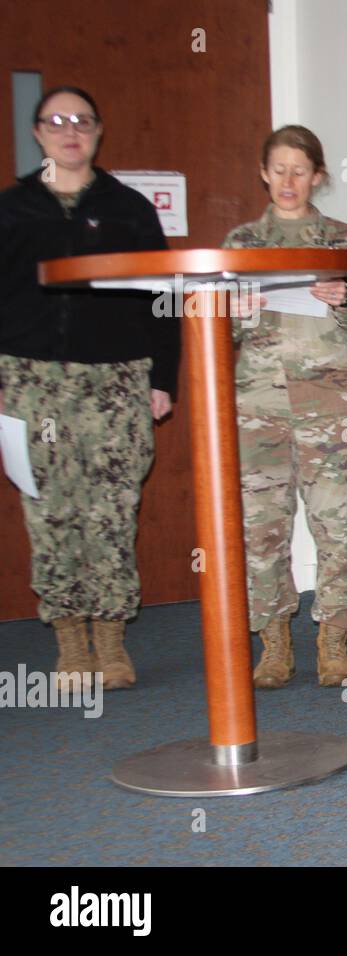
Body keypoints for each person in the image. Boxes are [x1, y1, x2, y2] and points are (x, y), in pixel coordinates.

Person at [0, 87, 177, 691]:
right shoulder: (13, 208)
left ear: (99, 132)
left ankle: (110, 640)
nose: (69, 130)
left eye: (82, 121)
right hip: (31, 381)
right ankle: (70, 644)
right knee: (48, 508)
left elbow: (163, 297)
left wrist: (162, 378)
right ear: (37, 132)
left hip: (116, 380)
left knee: (110, 510)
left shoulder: (127, 209)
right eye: (57, 121)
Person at [223, 125, 347, 688]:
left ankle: (333, 639)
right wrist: (235, 309)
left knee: (341, 524)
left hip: (328, 403)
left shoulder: (341, 240)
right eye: (278, 169)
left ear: (317, 175)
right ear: (264, 173)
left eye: (300, 170)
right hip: (256, 408)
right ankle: (273, 640)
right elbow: (217, 329)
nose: (289, 181)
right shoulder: (240, 244)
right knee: (260, 530)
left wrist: (345, 298)